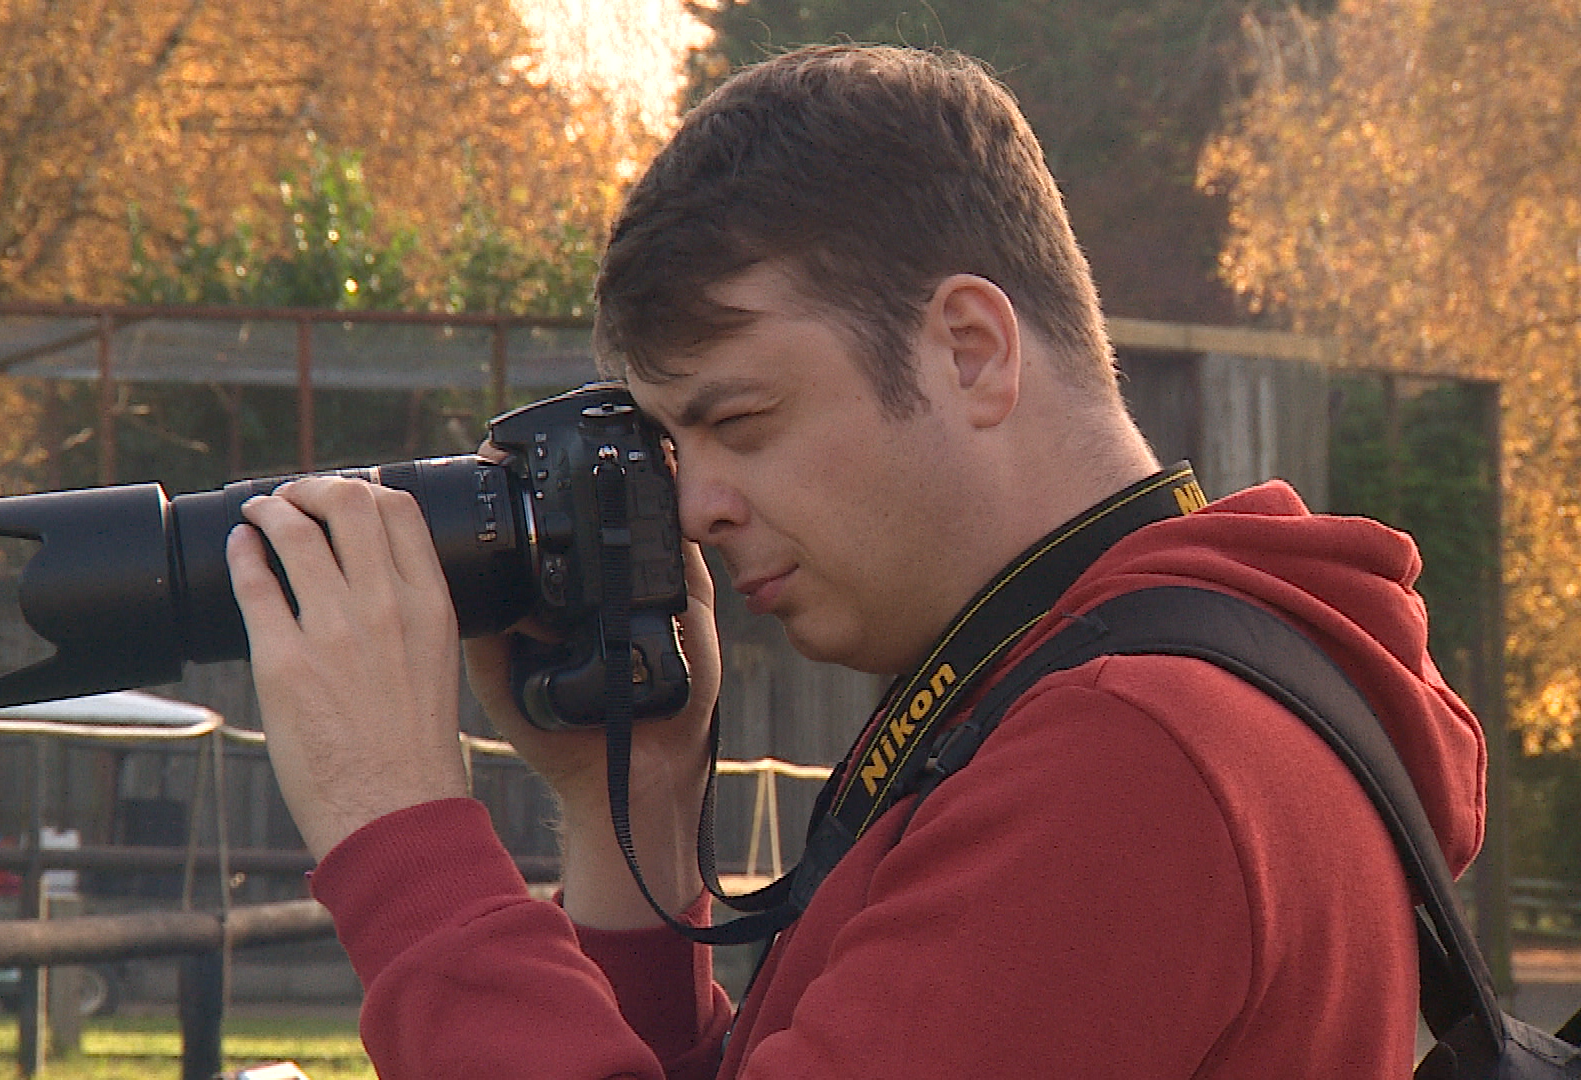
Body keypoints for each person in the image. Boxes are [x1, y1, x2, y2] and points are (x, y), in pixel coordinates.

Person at [223, 44, 1487, 1078]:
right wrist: (641, 820)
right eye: (668, 441)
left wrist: (402, 839)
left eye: (740, 423)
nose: (699, 506)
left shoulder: (1134, 746)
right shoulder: (1142, 686)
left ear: (974, 350)